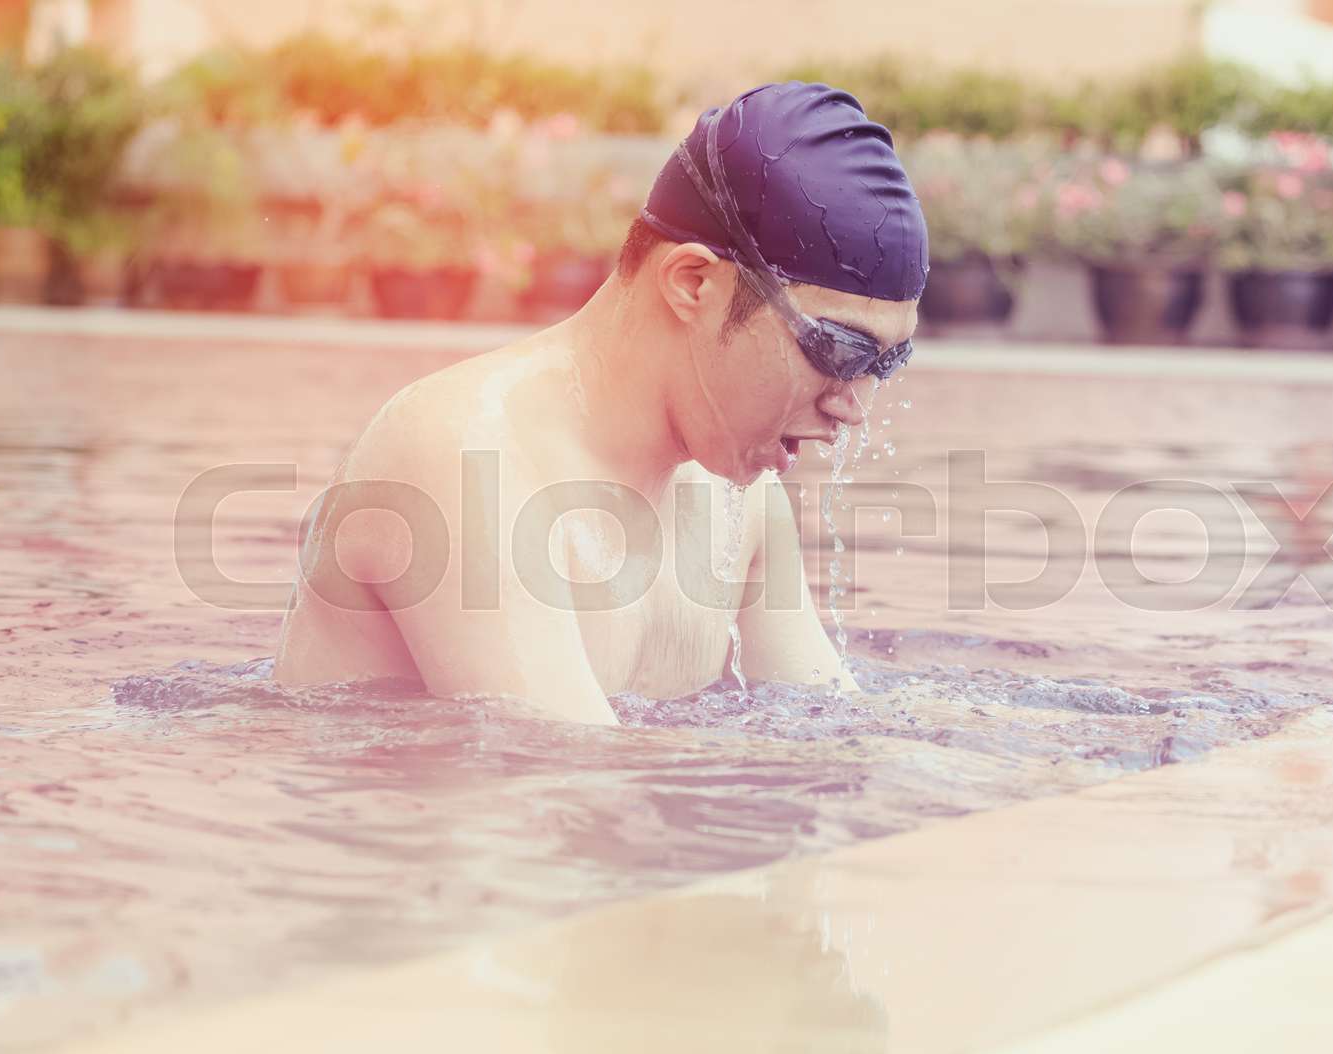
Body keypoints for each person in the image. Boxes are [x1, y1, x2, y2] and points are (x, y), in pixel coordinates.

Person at [273, 81, 929, 724]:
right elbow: (559, 785)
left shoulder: (740, 501)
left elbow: (834, 733)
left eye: (886, 362)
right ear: (693, 283)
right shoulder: (461, 452)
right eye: (838, 350)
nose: (856, 407)